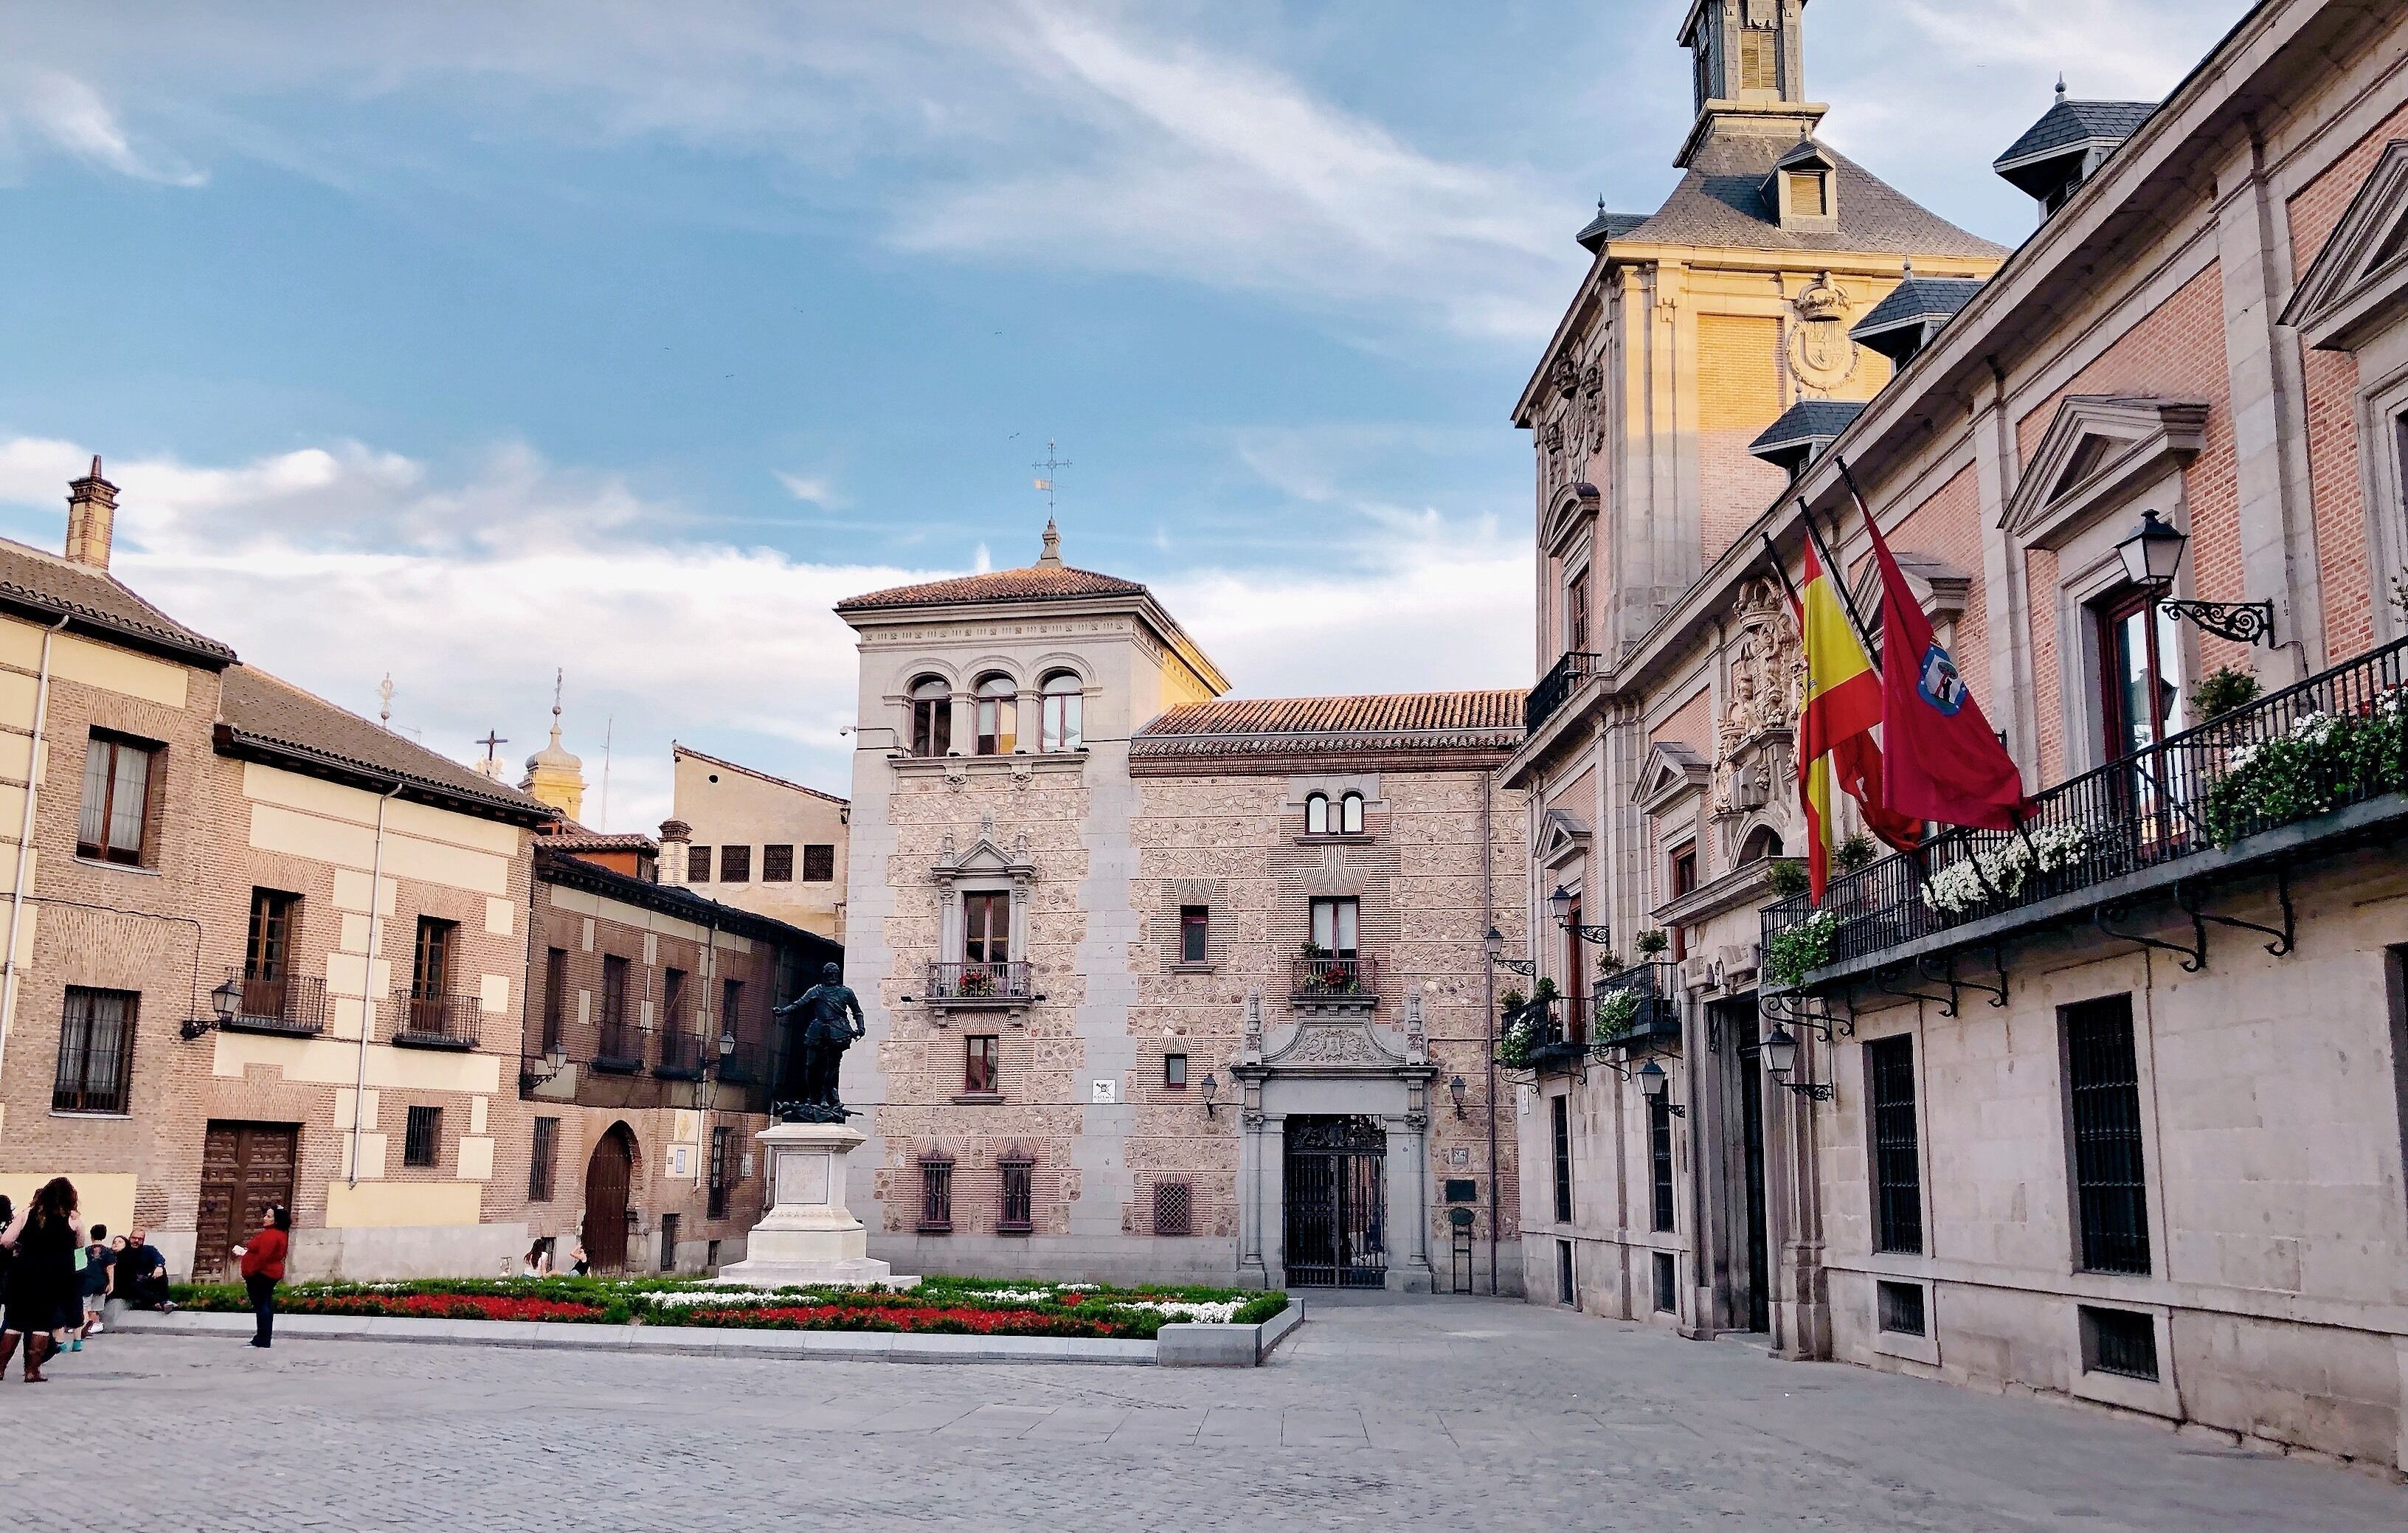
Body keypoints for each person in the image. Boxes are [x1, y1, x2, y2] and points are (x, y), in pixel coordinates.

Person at [1, 1177, 80, 1383]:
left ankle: (0, 1368)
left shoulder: (28, 1213)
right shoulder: (72, 1219)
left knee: (14, 1323)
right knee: (41, 1324)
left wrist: (19, 1248)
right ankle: (32, 1371)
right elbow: (80, 1247)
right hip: (52, 1278)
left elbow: (6, 1240)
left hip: (23, 1274)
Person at [231, 1204, 290, 1349]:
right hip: (269, 1273)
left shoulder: (271, 1235)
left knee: (262, 1306)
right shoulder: (279, 1234)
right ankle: (262, 1338)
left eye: (269, 1216)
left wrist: (250, 1270)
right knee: (265, 1305)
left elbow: (263, 1257)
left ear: (276, 1221)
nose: (265, 1218)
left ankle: (262, 1339)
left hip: (262, 1274)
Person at [72, 1222, 113, 1350]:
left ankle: (85, 1323)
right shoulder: (108, 1252)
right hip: (101, 1282)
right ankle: (92, 1324)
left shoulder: (86, 1250)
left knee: (85, 1306)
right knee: (95, 1308)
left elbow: (79, 1265)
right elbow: (110, 1268)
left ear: (91, 1235)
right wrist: (111, 1283)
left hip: (87, 1282)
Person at [117, 1229, 173, 1312]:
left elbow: (159, 1258)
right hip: (131, 1284)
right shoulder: (124, 1252)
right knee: (133, 1286)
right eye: (134, 1238)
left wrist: (159, 1266)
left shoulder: (149, 1250)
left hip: (147, 1280)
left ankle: (160, 1302)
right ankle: (162, 1302)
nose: (136, 1241)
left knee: (162, 1271)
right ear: (129, 1238)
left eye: (140, 1239)